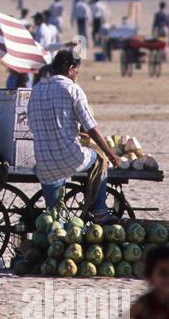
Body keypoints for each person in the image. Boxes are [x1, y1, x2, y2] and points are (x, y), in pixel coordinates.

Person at [27, 49, 121, 224]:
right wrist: (111, 154)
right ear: (70, 69)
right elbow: (91, 128)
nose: (77, 74)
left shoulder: (36, 89)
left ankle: (55, 226)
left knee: (54, 217)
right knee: (99, 158)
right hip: (70, 157)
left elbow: (32, 125)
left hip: (44, 162)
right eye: (77, 70)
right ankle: (100, 211)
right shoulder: (72, 89)